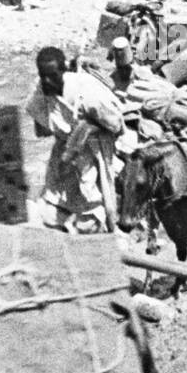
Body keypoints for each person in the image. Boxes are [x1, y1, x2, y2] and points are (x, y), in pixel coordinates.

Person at [24, 46, 126, 234]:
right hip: (64, 155)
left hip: (93, 153)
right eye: (43, 75)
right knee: (50, 213)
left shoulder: (86, 91)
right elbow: (41, 129)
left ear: (63, 71)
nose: (47, 81)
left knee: (92, 219)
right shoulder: (43, 89)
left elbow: (117, 125)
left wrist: (86, 129)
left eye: (53, 76)